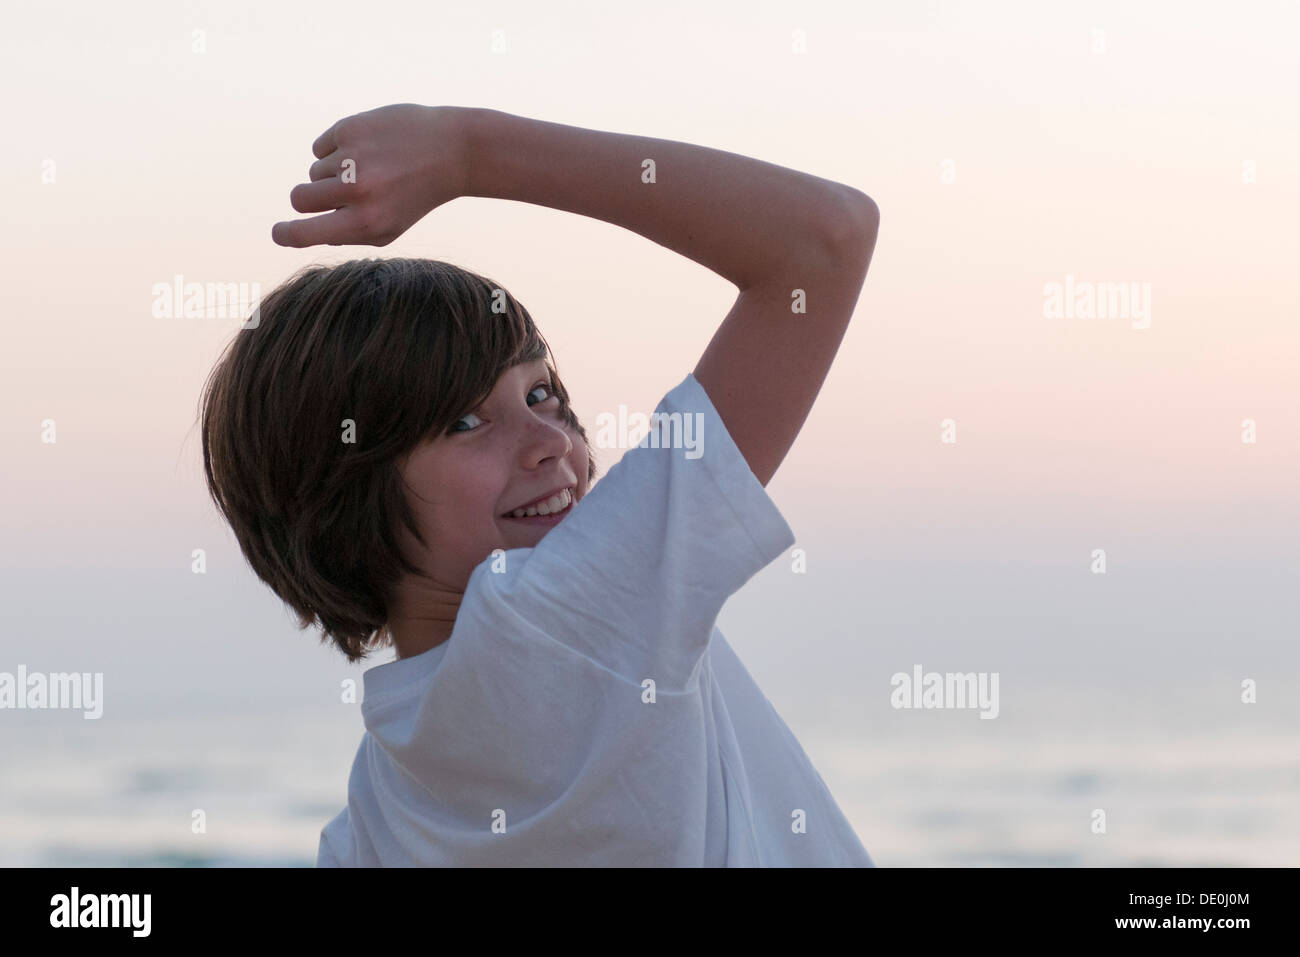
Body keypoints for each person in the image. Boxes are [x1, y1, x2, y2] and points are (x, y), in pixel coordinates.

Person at [201, 104, 880, 865]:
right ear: (340, 498)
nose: (550, 441)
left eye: (540, 394)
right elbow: (824, 239)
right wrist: (469, 156)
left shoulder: (380, 812)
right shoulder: (559, 620)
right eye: (463, 422)